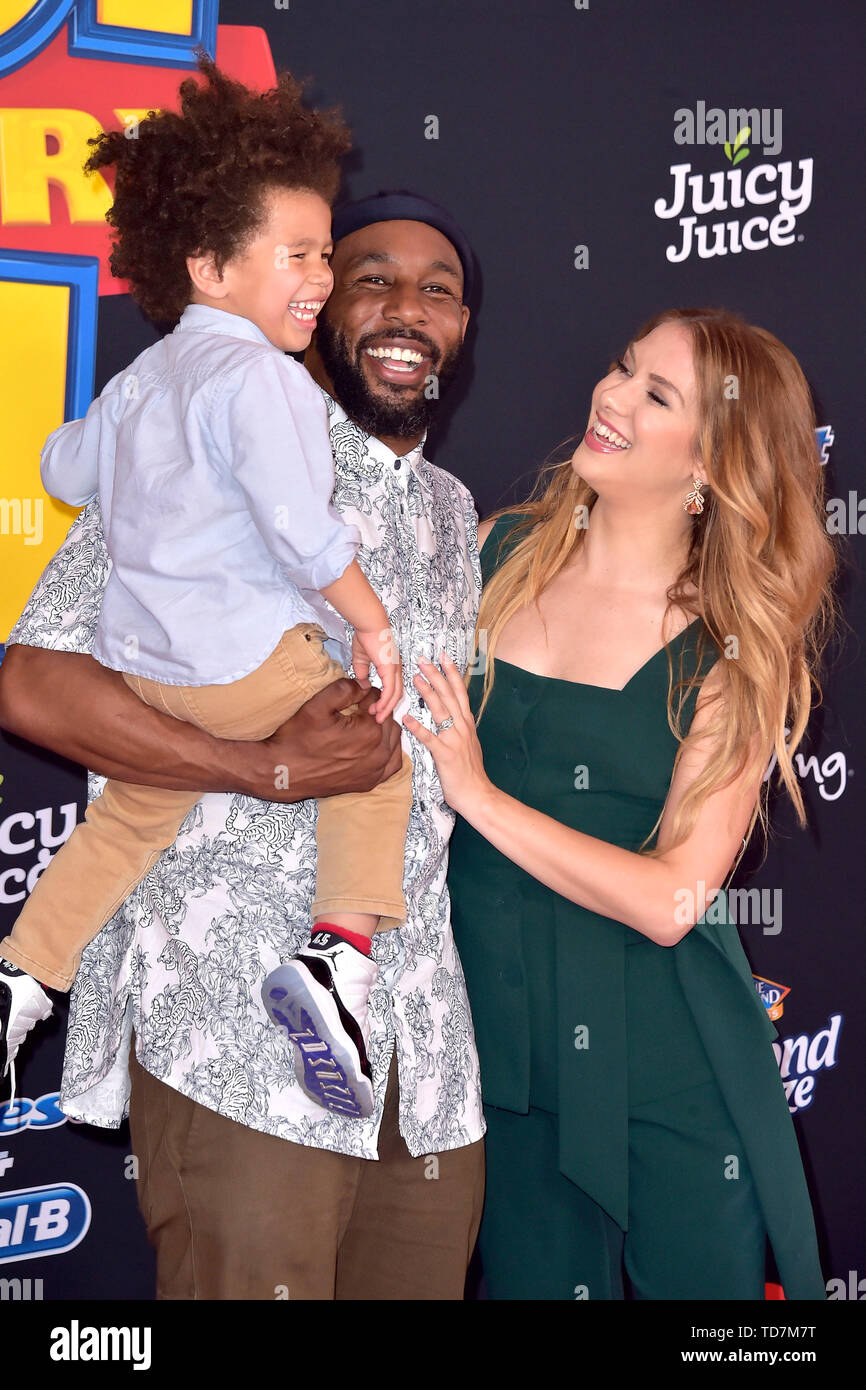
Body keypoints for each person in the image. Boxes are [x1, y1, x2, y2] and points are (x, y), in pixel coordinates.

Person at [0, 191, 485, 1299]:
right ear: (309, 299)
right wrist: (260, 768)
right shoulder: (206, 430)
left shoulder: (456, 515)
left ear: (461, 328)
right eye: (367, 277)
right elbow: (33, 680)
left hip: (427, 1062)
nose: (406, 308)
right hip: (235, 1039)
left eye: (439, 290)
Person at [0, 59, 414, 1122]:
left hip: (153, 679)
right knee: (372, 760)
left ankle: (21, 975)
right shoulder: (260, 381)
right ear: (206, 265)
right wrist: (371, 628)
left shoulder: (145, 378)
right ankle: (338, 963)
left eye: (324, 252)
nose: (319, 276)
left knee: (127, 822)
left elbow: (61, 471)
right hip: (245, 666)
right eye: (295, 256)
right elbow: (298, 530)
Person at [403, 307, 833, 1300]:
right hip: (501, 1046)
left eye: (655, 394)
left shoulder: (729, 651)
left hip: (664, 1053)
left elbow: (671, 899)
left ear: (709, 468)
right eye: (620, 367)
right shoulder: (490, 553)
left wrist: (476, 795)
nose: (609, 397)